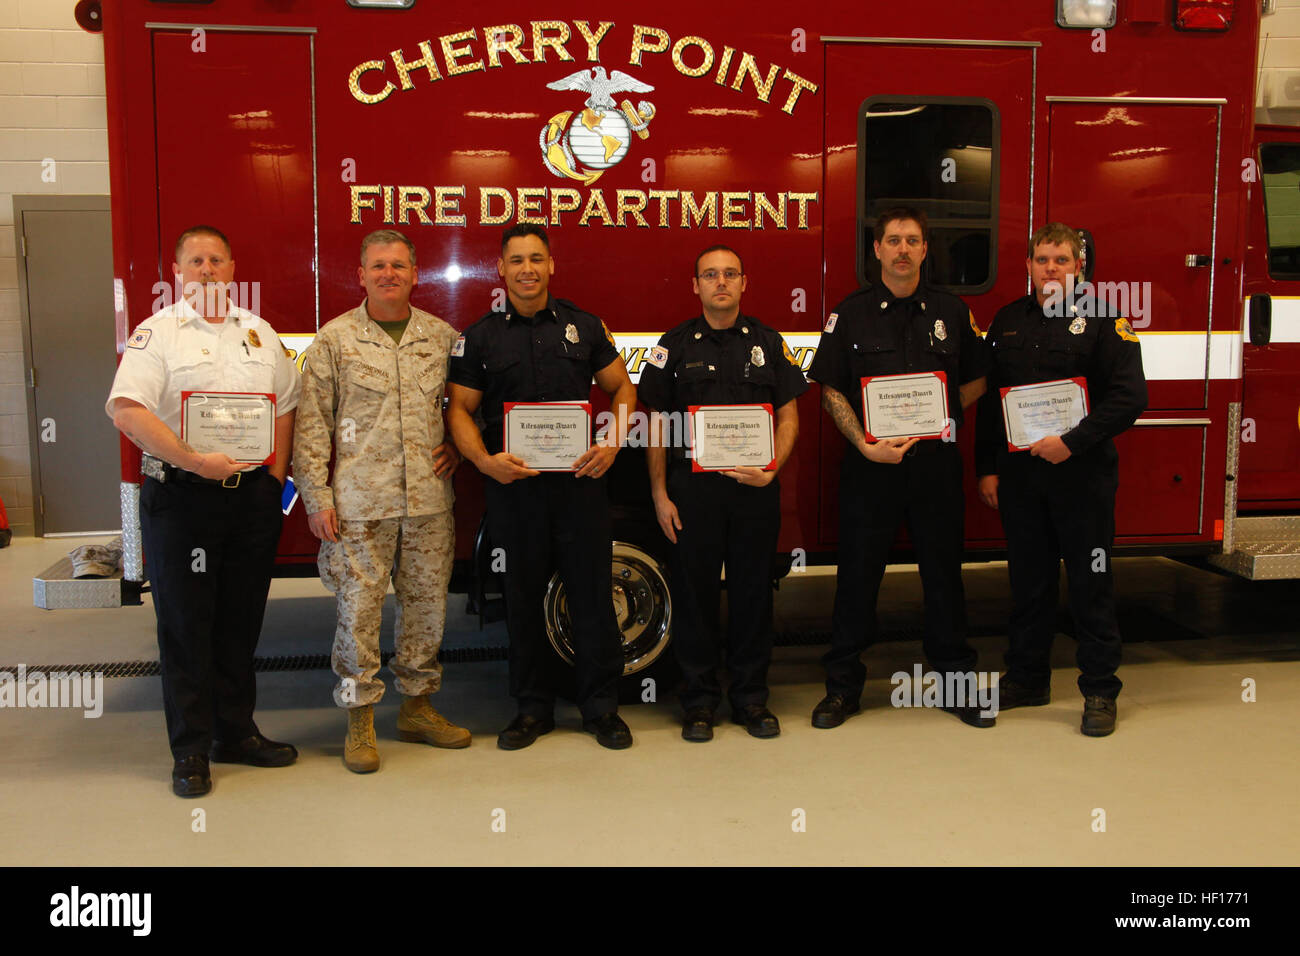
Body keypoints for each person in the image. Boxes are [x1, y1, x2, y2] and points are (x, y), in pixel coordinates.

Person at [107, 225, 299, 797]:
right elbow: (126, 409)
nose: (208, 269)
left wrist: (275, 478)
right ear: (178, 272)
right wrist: (192, 458)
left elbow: (285, 405)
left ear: (233, 268)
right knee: (187, 626)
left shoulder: (261, 334)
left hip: (250, 500)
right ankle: (190, 750)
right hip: (181, 500)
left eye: (217, 259)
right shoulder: (157, 333)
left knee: (241, 621)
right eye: (196, 261)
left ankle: (236, 732)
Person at [446, 224, 636, 750]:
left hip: (579, 485)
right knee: (522, 598)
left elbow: (621, 387)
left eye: (536, 258)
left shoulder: (585, 326)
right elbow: (459, 410)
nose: (527, 268)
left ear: (551, 265)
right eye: (516, 260)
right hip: (516, 489)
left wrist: (614, 443)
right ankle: (532, 708)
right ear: (500, 270)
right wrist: (485, 462)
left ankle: (601, 707)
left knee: (592, 595)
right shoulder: (479, 337)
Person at [807, 206, 993, 729]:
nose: (903, 249)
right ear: (878, 250)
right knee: (857, 579)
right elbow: (831, 391)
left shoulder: (954, 312)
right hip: (871, 469)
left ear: (925, 250)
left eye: (913, 241)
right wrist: (866, 443)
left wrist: (938, 415)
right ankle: (842, 689)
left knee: (943, 577)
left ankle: (955, 684)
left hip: (935, 467)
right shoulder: (850, 314)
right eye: (894, 240)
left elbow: (980, 377)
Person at [294, 230, 468, 774]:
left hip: (428, 502)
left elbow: (469, 407)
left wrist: (461, 451)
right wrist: (316, 498)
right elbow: (311, 426)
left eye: (398, 265)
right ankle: (359, 720)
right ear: (362, 274)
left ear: (416, 274)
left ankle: (416, 708)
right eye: (378, 266)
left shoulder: (443, 338)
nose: (388, 274)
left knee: (425, 607)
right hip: (359, 506)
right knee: (358, 612)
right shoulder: (335, 340)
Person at [975, 223, 1147, 737]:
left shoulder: (1106, 321)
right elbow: (990, 403)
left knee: (1091, 584)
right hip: (1021, 479)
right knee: (1029, 581)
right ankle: (1028, 678)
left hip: (1082, 477)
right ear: (1027, 266)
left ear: (1080, 269)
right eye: (1042, 260)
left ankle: (1099, 689)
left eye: (1062, 261)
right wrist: (986, 467)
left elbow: (1129, 398)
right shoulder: (1006, 321)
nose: (1050, 269)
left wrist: (1071, 441)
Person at [637, 246, 808, 741]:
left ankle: (752, 700)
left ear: (744, 282)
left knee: (755, 595)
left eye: (730, 274)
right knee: (695, 598)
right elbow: (655, 423)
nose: (720, 282)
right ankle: (698, 702)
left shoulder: (768, 342)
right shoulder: (673, 345)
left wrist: (773, 466)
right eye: (710, 275)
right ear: (696, 286)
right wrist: (658, 494)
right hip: (692, 494)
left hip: (755, 491)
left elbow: (789, 414)